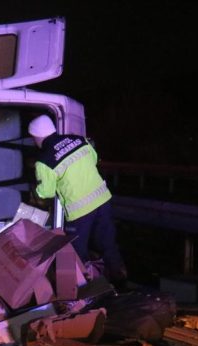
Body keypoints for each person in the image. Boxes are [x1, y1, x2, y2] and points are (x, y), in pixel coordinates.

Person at [28, 114, 128, 287]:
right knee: (107, 243)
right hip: (103, 201)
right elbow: (94, 159)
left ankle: (87, 289)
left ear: (36, 136)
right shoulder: (80, 140)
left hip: (80, 211)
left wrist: (35, 190)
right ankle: (120, 282)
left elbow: (47, 192)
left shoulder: (44, 161)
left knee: (77, 251)